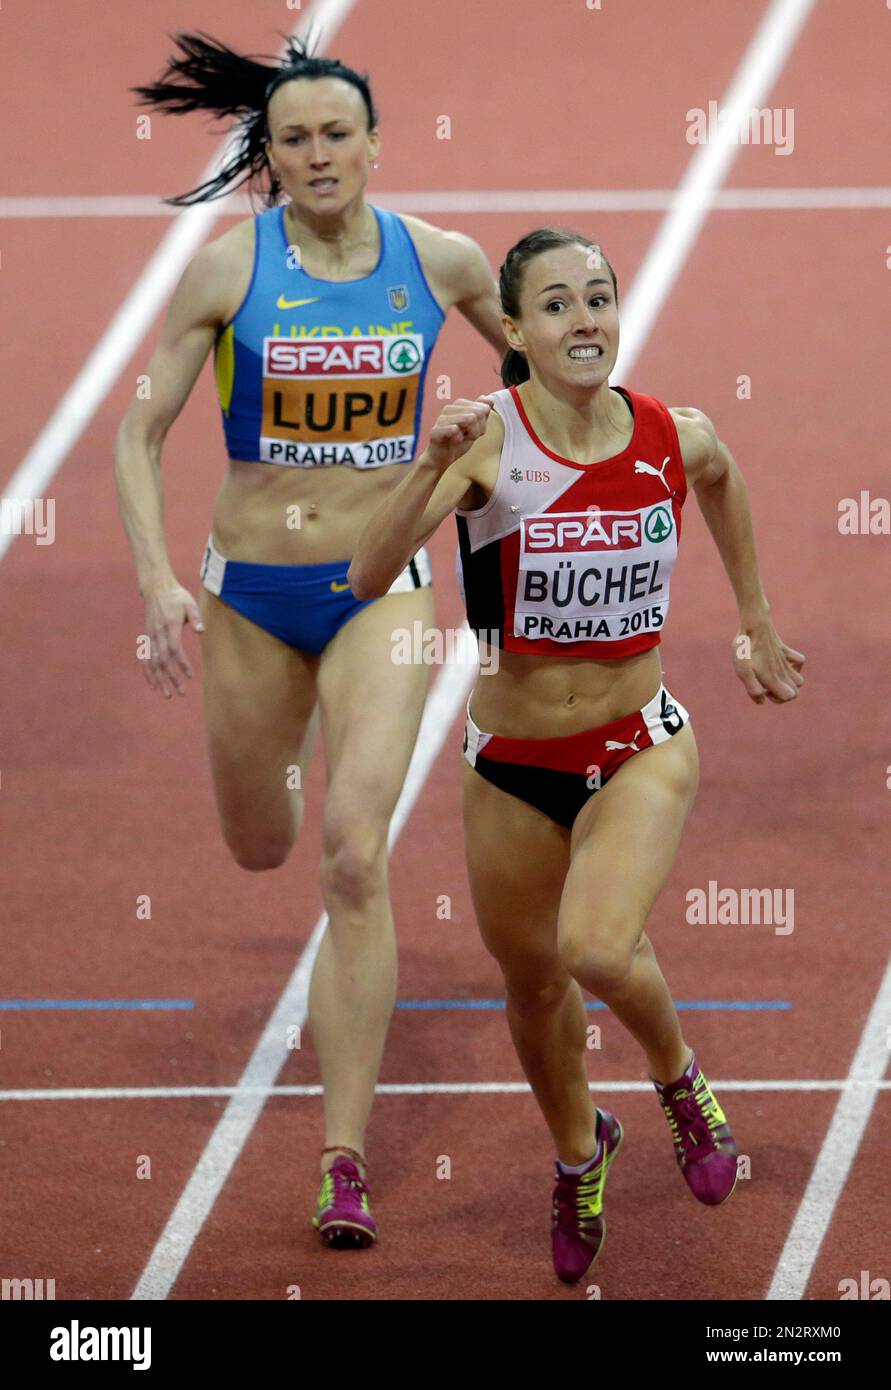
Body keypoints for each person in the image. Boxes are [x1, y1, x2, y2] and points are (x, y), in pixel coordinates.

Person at [349, 227, 805, 1284]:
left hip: (641, 743)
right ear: (513, 329)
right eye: (555, 305)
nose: (583, 319)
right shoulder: (480, 446)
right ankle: (577, 1151)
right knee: (534, 983)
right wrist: (423, 466)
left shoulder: (668, 434)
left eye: (597, 297)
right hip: (510, 762)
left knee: (597, 948)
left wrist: (754, 618)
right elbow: (370, 577)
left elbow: (725, 476)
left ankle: (680, 1080)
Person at [114, 33, 506, 1251]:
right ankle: (265, 816)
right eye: (296, 138)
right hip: (248, 603)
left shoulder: (439, 261)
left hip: (379, 593)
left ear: (376, 144)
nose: (320, 152)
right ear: (269, 159)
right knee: (259, 842)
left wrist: (495, 476)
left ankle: (343, 1158)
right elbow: (137, 435)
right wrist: (157, 580)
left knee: (350, 853)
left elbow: (540, 374)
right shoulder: (231, 273)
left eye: (339, 132)